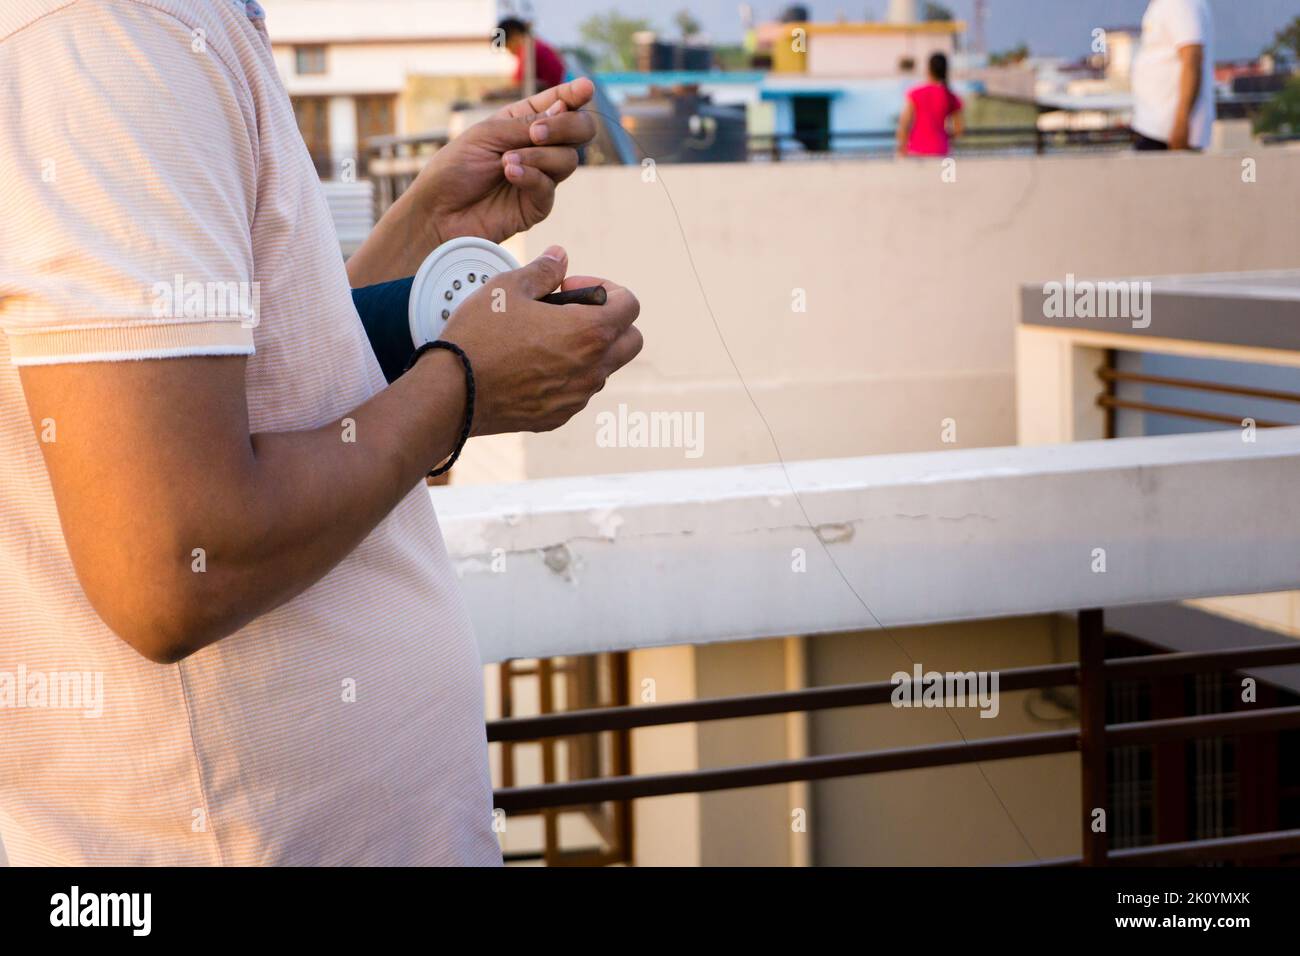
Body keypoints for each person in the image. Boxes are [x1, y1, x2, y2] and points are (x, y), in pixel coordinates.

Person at [0, 0, 641, 865]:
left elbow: (258, 386)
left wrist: (425, 230)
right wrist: (463, 382)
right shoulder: (114, 33)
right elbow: (172, 561)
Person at [1131, 0, 1216, 151]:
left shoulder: (1179, 3)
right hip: (1157, 127)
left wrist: (1182, 123)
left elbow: (1192, 58)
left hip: (1168, 133)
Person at [897, 52, 965, 158]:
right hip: (941, 150)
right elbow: (959, 129)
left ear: (928, 69)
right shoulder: (951, 96)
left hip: (917, 149)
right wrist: (944, 137)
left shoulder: (915, 93)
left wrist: (901, 147)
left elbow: (904, 123)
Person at [498, 16, 567, 93]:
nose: (510, 52)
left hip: (557, 91)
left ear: (515, 35)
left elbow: (517, 82)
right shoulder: (536, 44)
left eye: (508, 47)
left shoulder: (530, 49)